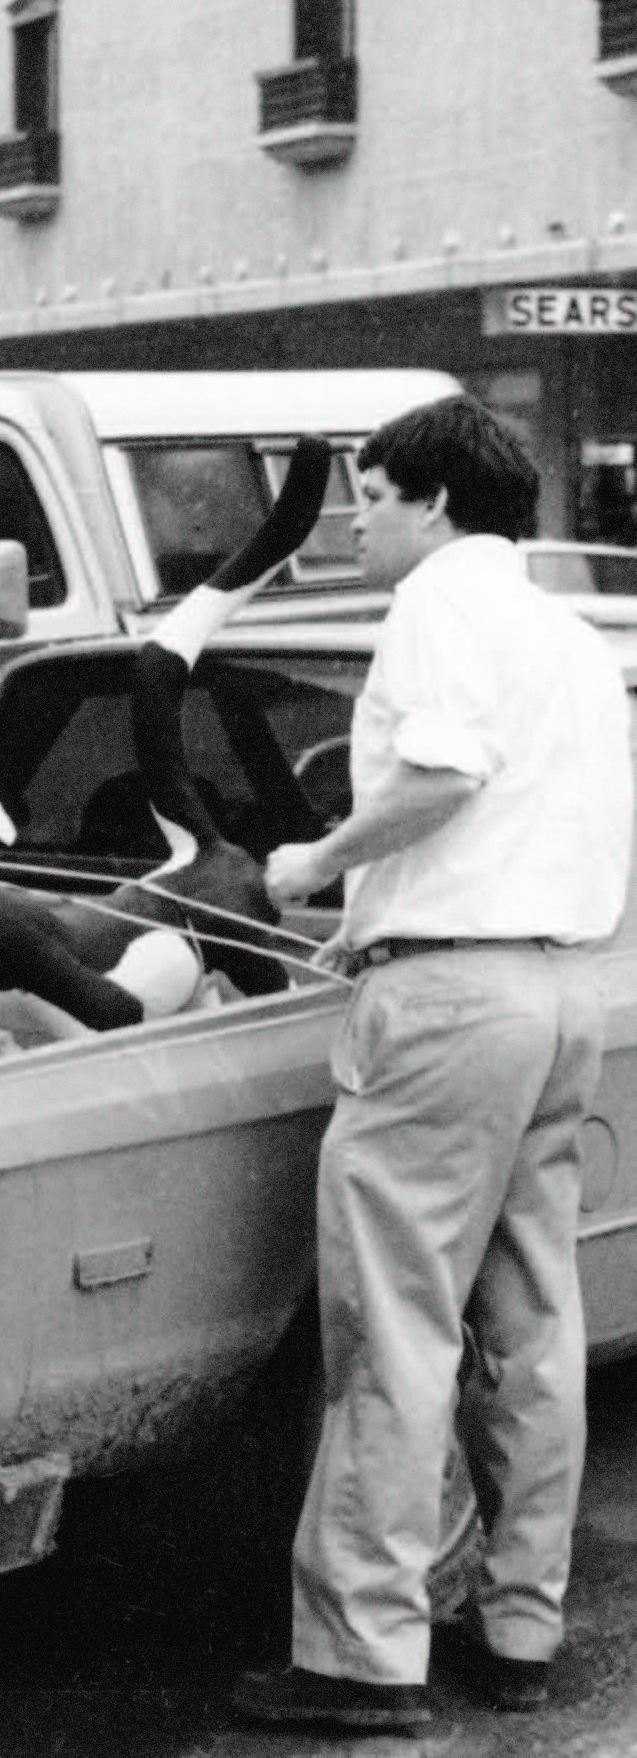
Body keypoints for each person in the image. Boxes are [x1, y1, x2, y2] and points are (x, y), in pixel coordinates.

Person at [233, 395, 633, 1732]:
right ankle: (518, 1628)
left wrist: (317, 864)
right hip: (559, 988)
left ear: (437, 504)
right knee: (532, 1324)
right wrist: (377, 913)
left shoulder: (437, 605)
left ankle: (361, 1659)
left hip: (451, 1002)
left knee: (394, 1329)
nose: (355, 524)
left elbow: (445, 777)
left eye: (370, 499)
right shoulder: (570, 638)